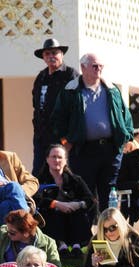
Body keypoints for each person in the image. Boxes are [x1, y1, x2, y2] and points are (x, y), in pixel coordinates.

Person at [52, 52, 134, 211]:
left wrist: (127, 138)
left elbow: (126, 115)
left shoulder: (112, 89)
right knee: (85, 193)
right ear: (83, 67)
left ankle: (108, 231)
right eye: (94, 66)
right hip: (83, 150)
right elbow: (57, 119)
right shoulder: (70, 90)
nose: (98, 69)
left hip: (110, 150)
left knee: (109, 194)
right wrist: (64, 142)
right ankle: (85, 234)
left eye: (101, 66)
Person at [33, 144, 97, 259]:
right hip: (51, 216)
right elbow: (35, 199)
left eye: (60, 157)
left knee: (78, 212)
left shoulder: (76, 180)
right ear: (47, 159)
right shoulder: (39, 180)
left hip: (72, 214)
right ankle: (61, 246)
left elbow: (90, 200)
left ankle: (76, 247)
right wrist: (56, 204)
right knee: (53, 213)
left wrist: (77, 204)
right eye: (53, 157)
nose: (56, 160)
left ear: (65, 160)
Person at [31, 38, 78, 175]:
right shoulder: (41, 76)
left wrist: (69, 138)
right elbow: (36, 107)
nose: (51, 56)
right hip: (41, 136)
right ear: (43, 58)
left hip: (62, 137)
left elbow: (77, 109)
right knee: (39, 173)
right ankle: (40, 197)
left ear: (61, 54)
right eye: (47, 54)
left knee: (65, 174)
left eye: (54, 53)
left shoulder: (70, 75)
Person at [0, 150, 39, 221]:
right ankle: (27, 225)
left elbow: (32, 181)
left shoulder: (8, 157)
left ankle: (23, 224)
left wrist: (18, 192)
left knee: (7, 204)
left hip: (11, 204)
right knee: (13, 186)